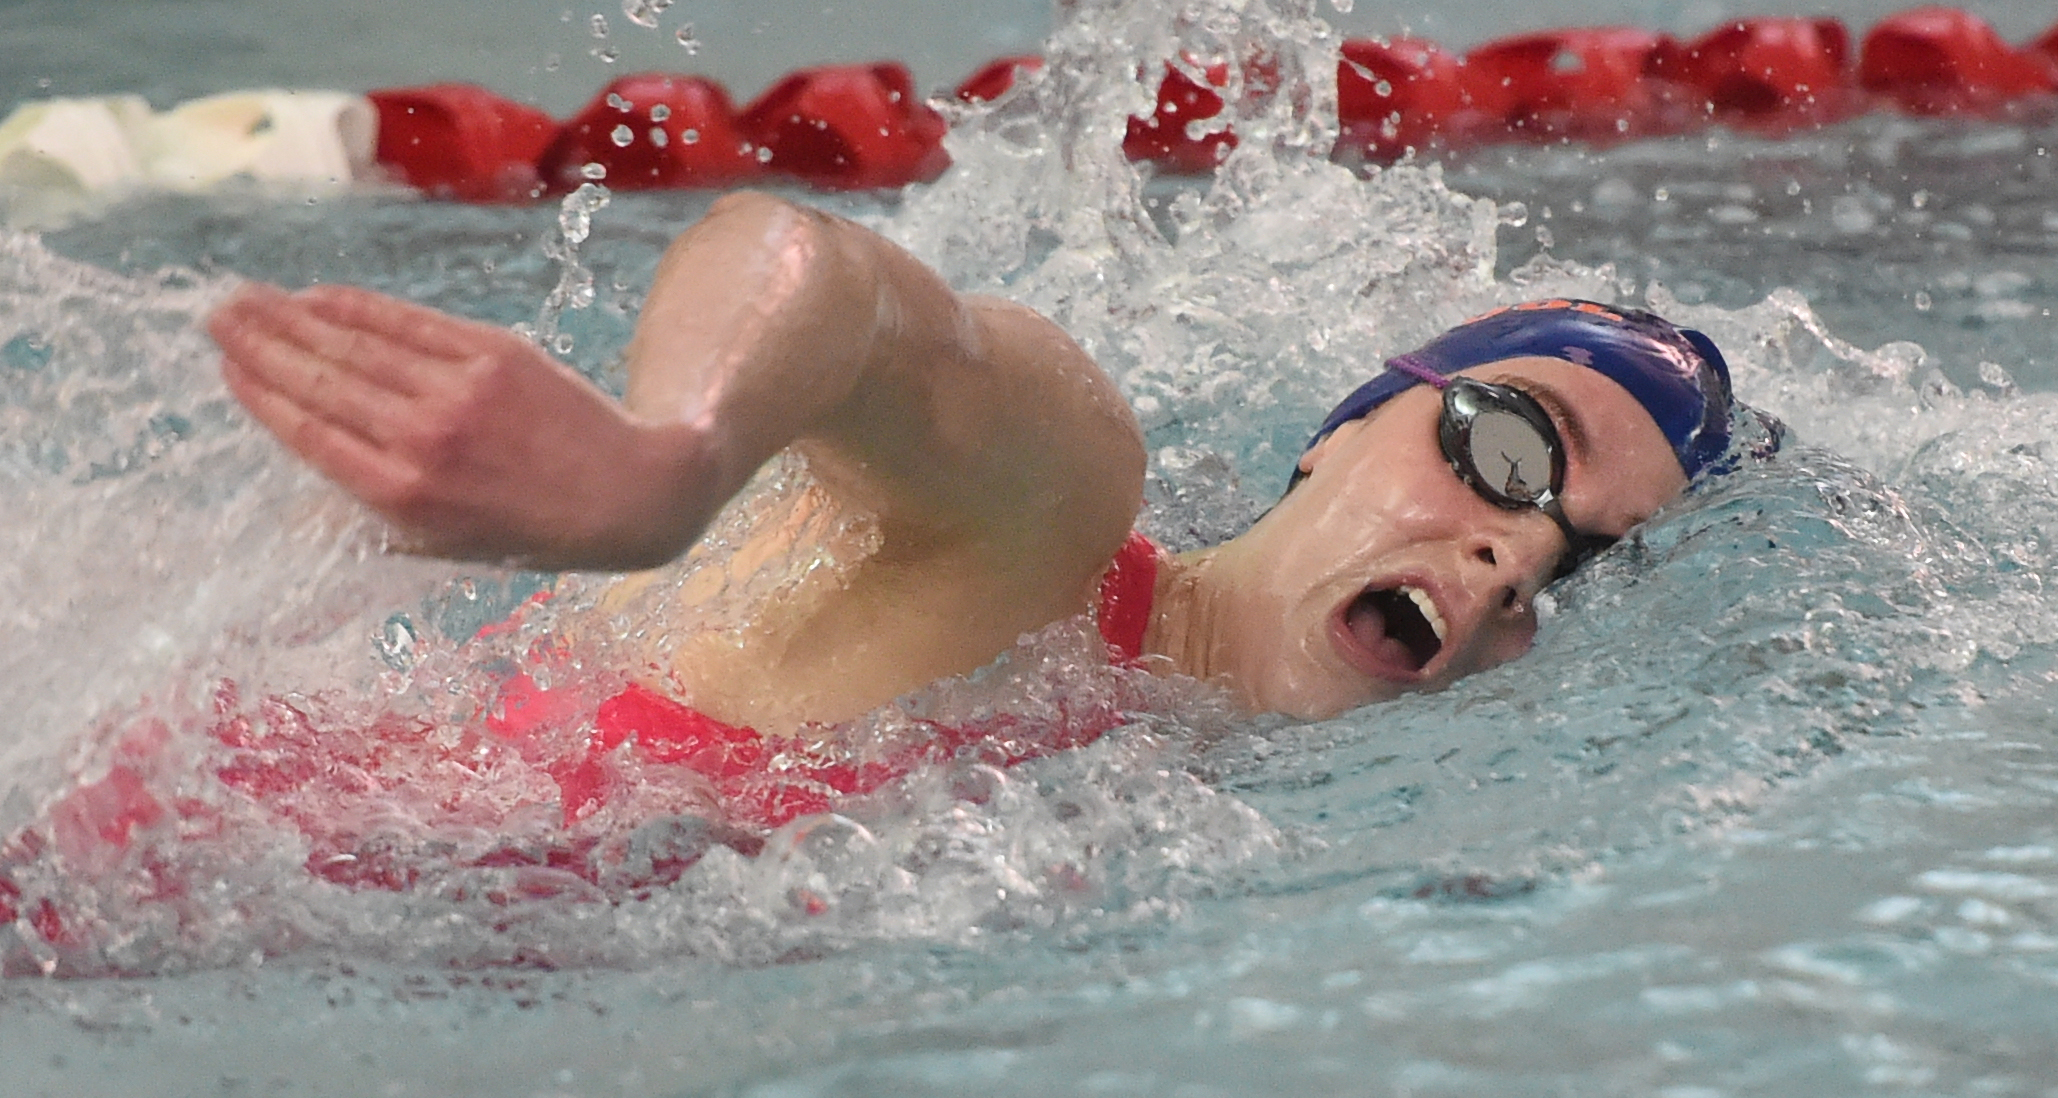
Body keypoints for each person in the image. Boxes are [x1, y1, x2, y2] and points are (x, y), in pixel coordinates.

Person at [206, 189, 1764, 734]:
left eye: (1593, 557)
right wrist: (661, 468)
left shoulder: (1150, 747)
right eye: (1511, 452)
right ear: (1344, 427)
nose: (1517, 554)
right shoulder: (1057, 513)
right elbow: (821, 273)